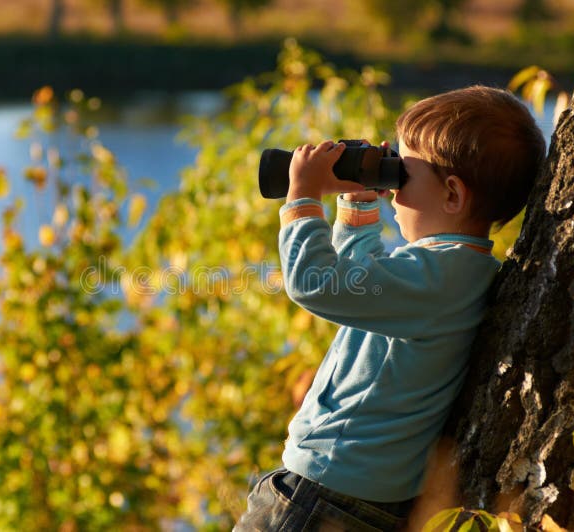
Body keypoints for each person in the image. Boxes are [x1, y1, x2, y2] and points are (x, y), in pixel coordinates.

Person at [234, 85, 546, 531]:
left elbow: (315, 284)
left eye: (402, 175)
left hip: (324, 489)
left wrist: (302, 197)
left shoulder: (438, 274)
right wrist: (359, 206)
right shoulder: (459, 271)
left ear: (453, 196)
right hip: (362, 494)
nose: (393, 191)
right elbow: (363, 284)